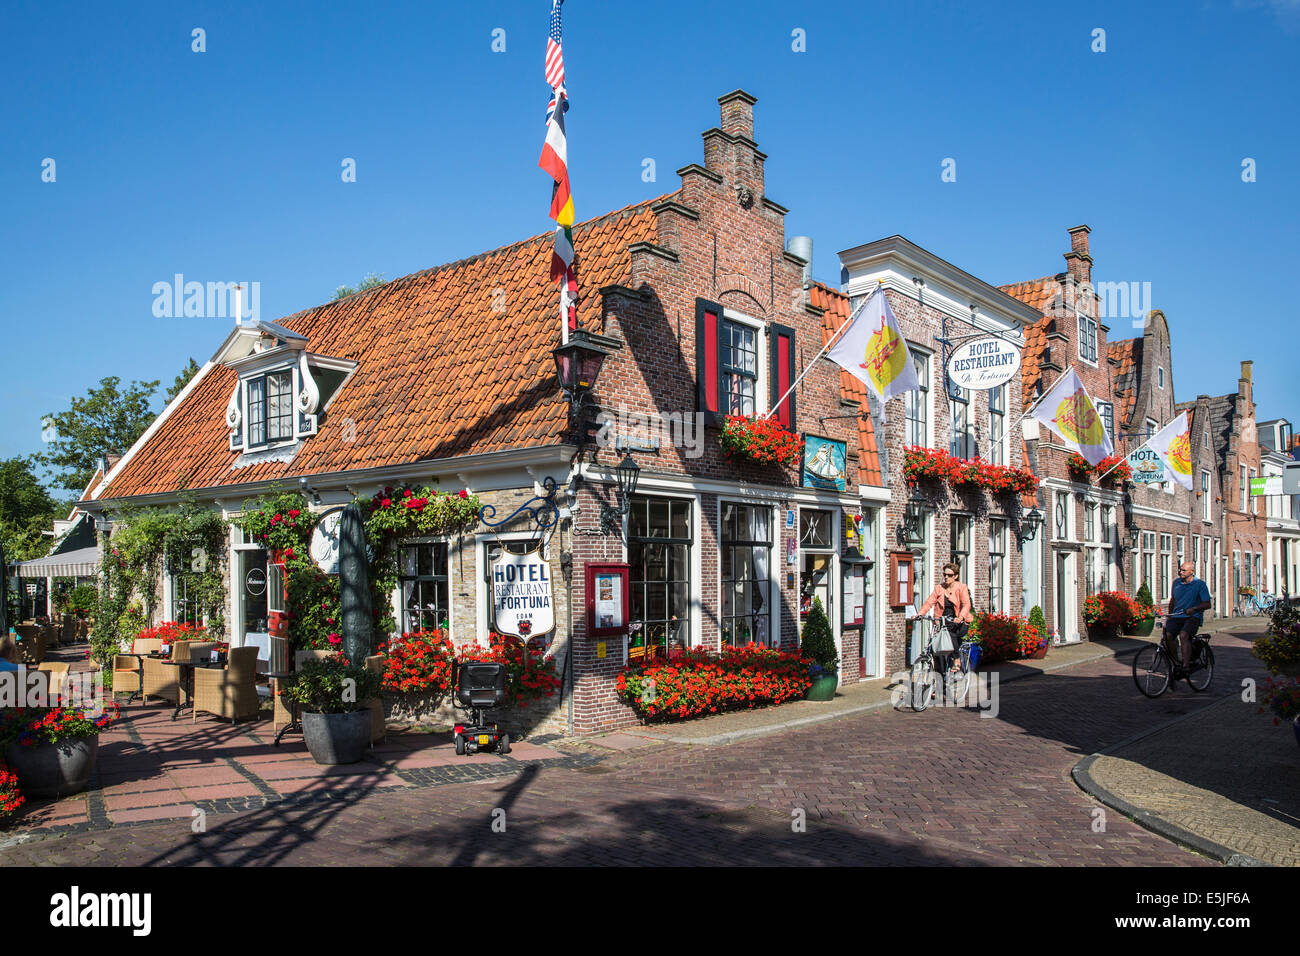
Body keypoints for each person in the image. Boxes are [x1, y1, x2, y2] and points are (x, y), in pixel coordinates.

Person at [911, 562, 974, 673]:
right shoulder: (939, 588)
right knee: (937, 649)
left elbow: (966, 604)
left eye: (949, 575)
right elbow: (929, 602)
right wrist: (920, 614)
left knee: (950, 635)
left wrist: (960, 617)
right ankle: (941, 681)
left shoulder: (961, 588)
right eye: (944, 574)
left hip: (959, 622)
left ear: (955, 576)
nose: (946, 577)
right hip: (943, 622)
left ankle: (957, 659)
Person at [1165, 561, 1212, 678]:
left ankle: (1186, 666)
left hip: (1192, 617)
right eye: (1180, 570)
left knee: (1184, 635)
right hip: (1177, 616)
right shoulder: (1176, 583)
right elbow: (1173, 600)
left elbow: (1207, 604)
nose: (1180, 572)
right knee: (1168, 636)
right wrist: (1170, 615)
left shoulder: (1200, 584)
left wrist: (1194, 609)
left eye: (1184, 570)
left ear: (1192, 572)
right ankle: (1176, 663)